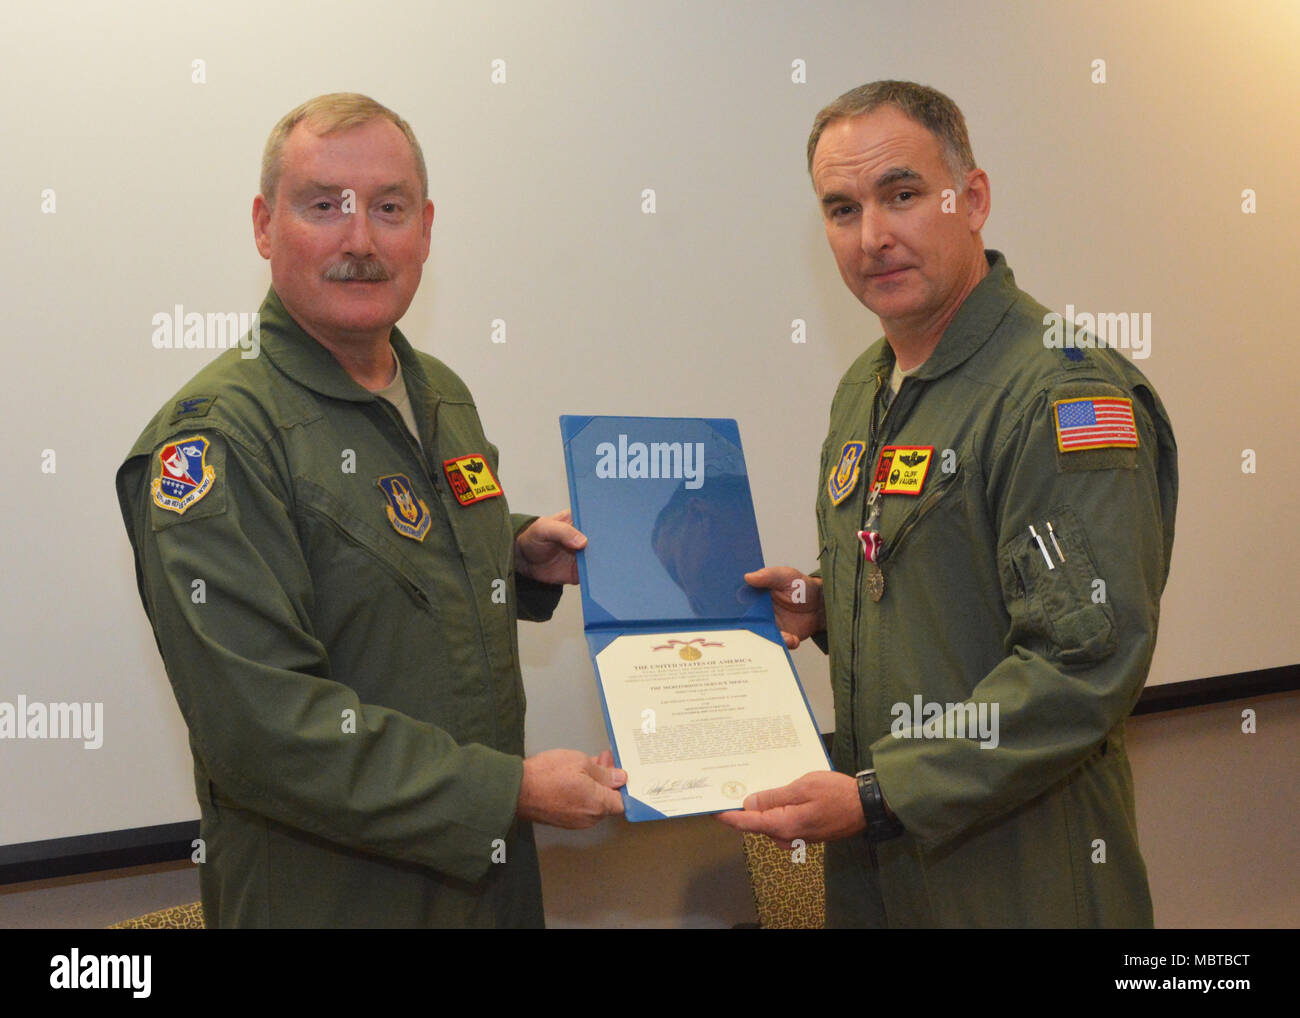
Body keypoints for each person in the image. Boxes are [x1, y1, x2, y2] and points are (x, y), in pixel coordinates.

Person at [115, 93, 625, 928]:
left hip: (488, 891)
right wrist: (509, 789)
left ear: (425, 229)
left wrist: (511, 549)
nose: (360, 240)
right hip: (333, 900)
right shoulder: (217, 440)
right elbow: (263, 729)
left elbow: (388, 554)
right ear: (263, 225)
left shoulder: (441, 397)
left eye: (388, 209)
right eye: (324, 207)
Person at [718, 81, 1177, 928]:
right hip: (884, 871)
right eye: (842, 208)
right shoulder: (868, 383)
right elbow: (929, 571)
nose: (873, 236)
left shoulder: (1060, 391)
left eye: (901, 194)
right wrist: (823, 604)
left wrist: (883, 793)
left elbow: (1079, 666)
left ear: (973, 199)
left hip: (1019, 875)